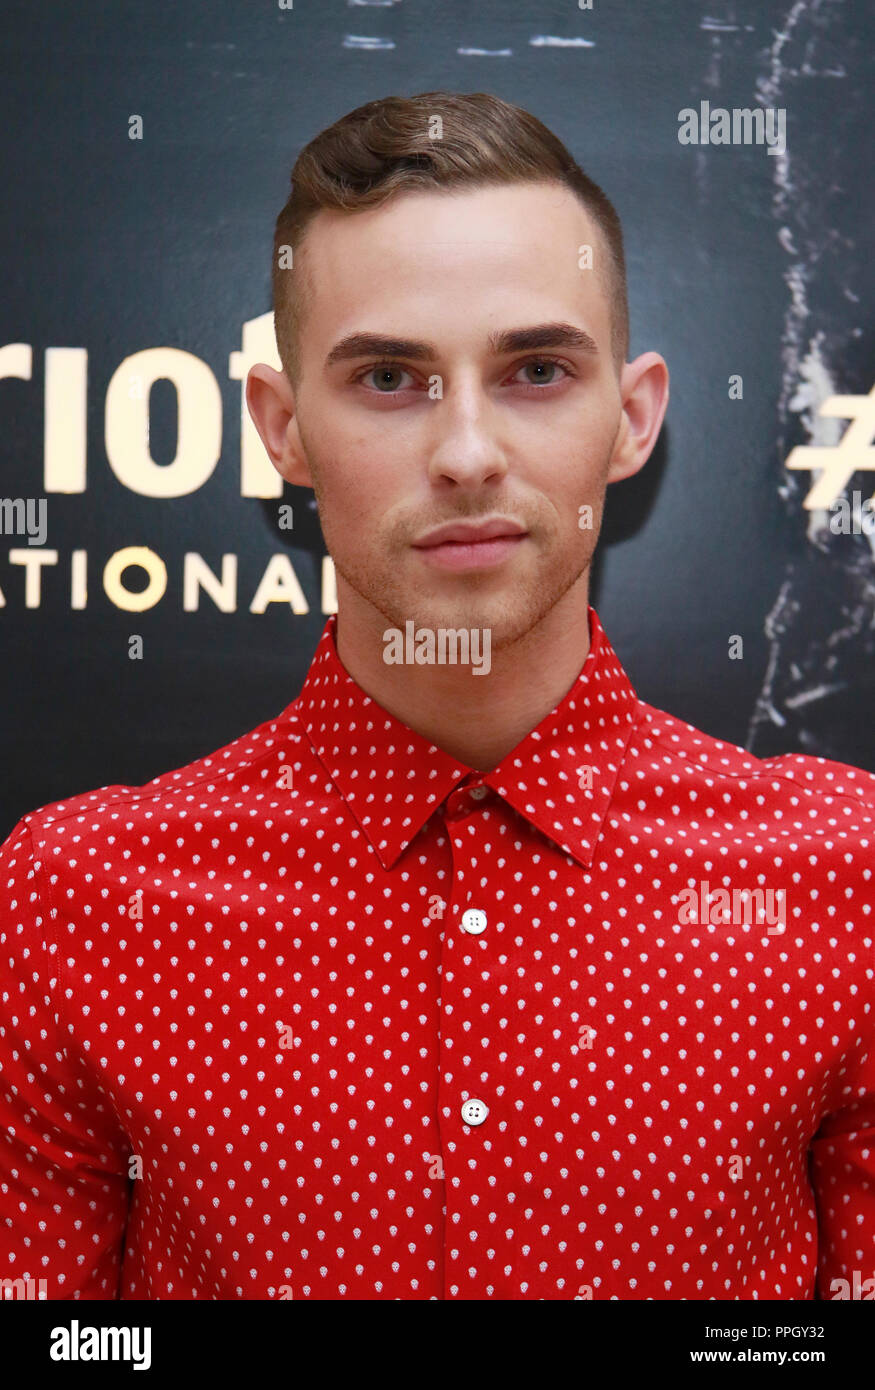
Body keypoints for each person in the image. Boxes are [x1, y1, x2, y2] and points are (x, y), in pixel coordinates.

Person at [1, 91, 872, 1302]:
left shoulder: (841, 877)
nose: (466, 451)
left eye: (533, 369)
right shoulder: (70, 904)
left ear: (630, 419)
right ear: (281, 427)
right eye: (390, 378)